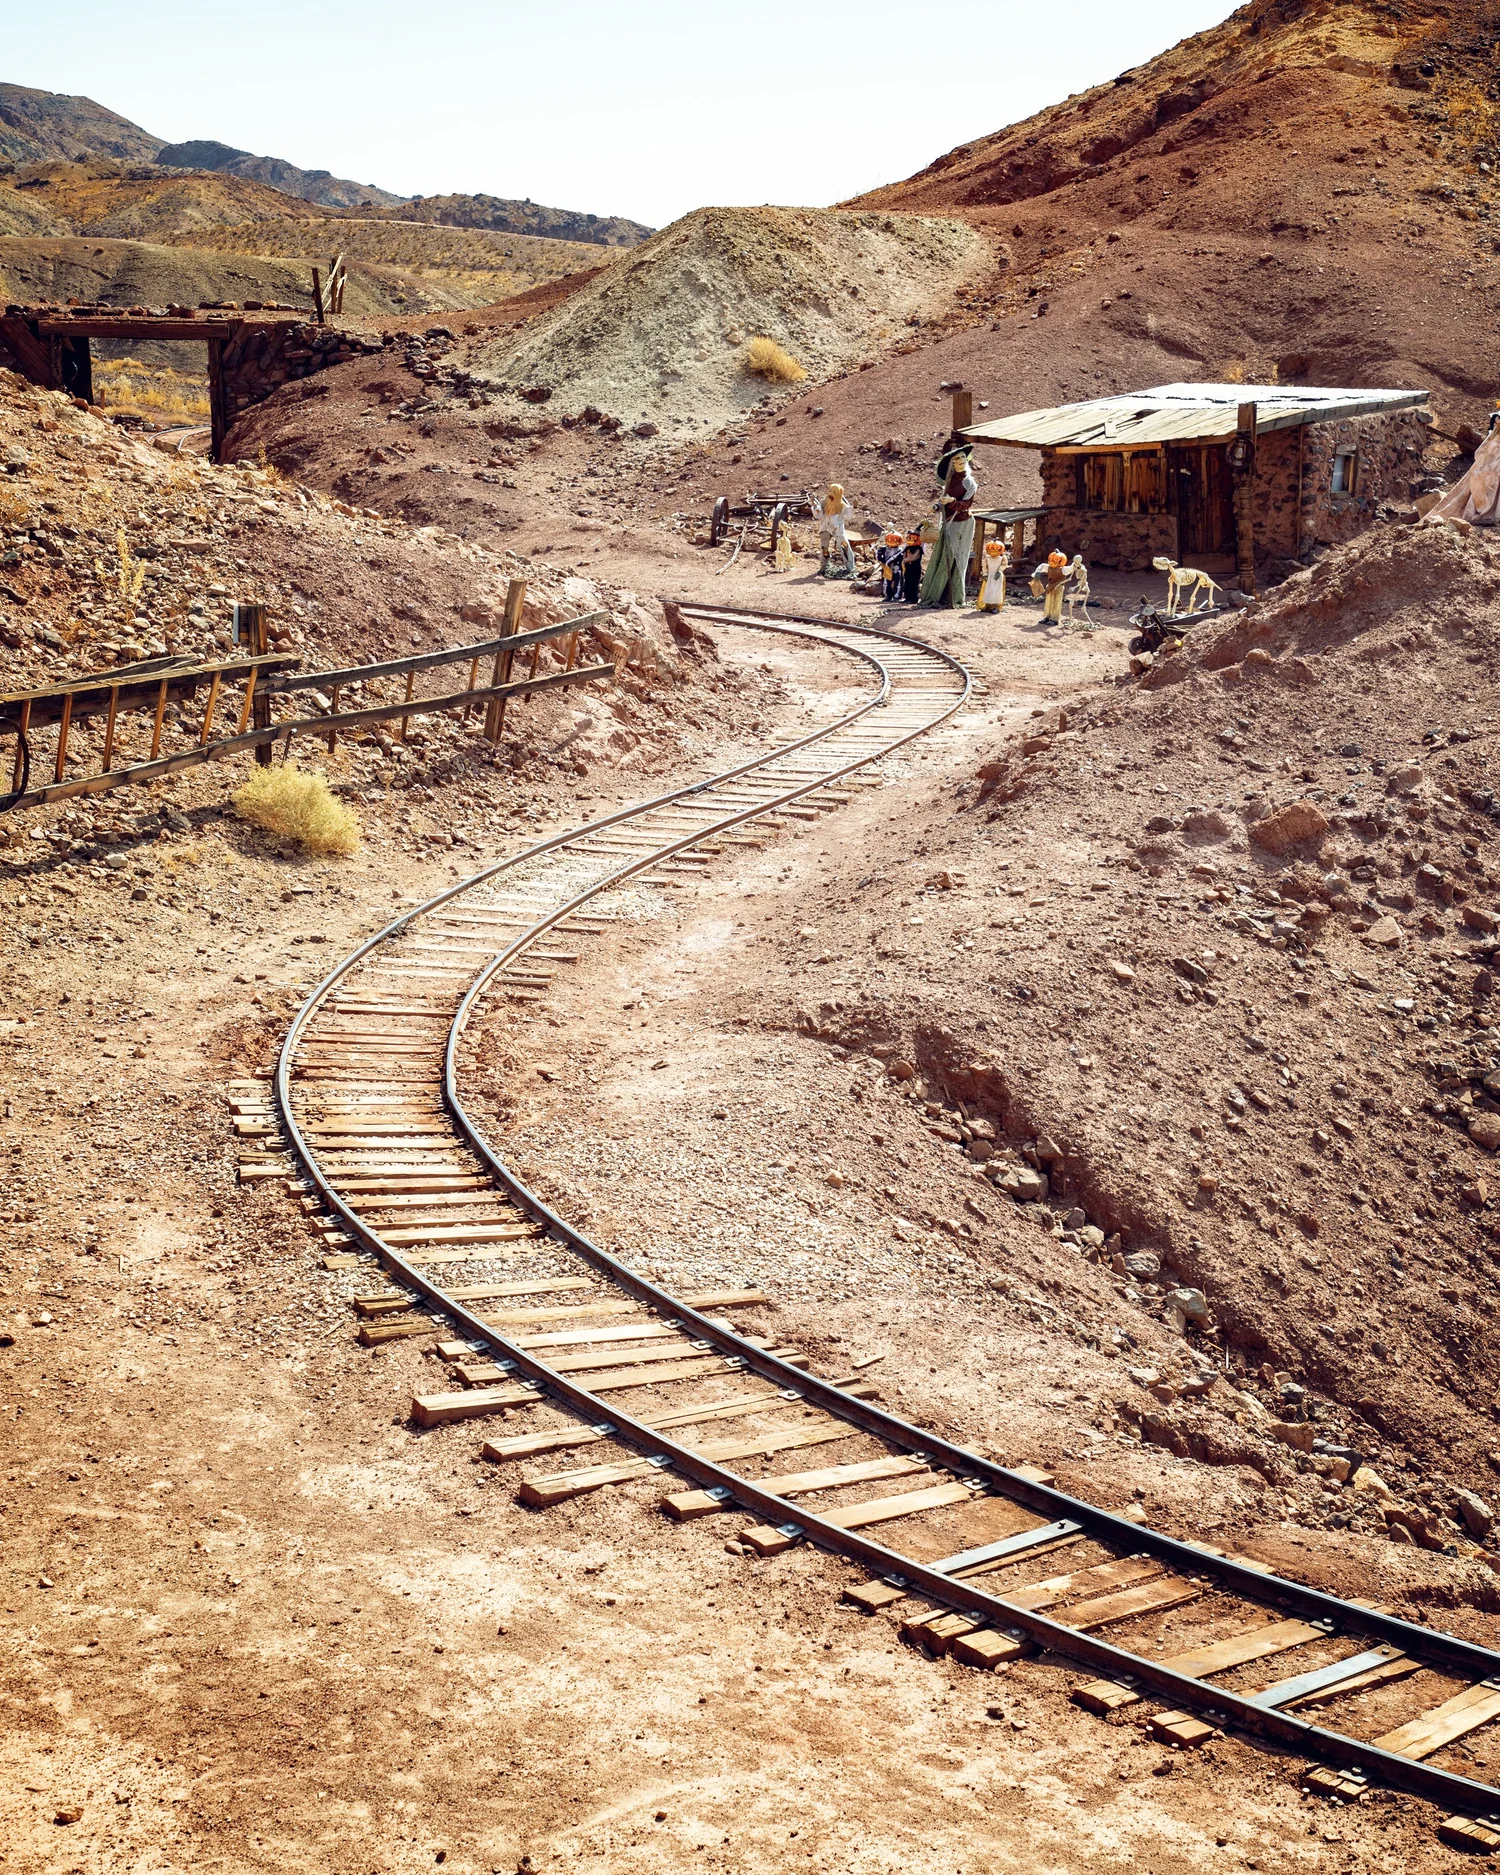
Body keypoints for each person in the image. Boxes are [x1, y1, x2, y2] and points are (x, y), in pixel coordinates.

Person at [919, 443, 976, 607]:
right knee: (941, 557)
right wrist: (937, 506)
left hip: (961, 524)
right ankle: (935, 595)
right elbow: (944, 499)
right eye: (956, 458)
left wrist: (952, 502)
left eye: (963, 457)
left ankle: (953, 597)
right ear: (952, 462)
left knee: (954, 558)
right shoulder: (950, 481)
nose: (960, 460)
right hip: (948, 523)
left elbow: (966, 504)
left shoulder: (969, 483)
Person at [817, 484, 856, 579]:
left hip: (837, 528)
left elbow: (848, 515)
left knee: (844, 545)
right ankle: (824, 565)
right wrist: (815, 507)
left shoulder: (842, 505)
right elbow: (818, 512)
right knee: (824, 547)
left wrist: (853, 507)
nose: (831, 494)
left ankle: (850, 567)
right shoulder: (824, 502)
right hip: (825, 526)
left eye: (834, 492)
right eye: (830, 491)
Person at [1029, 549, 1069, 622]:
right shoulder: (1049, 567)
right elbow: (1041, 566)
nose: (1052, 561)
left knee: (1057, 601)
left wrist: (1077, 564)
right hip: (1050, 586)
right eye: (1050, 559)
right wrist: (1037, 572)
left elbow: (1071, 568)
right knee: (1048, 601)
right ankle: (1047, 616)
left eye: (1055, 559)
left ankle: (1055, 619)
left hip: (1059, 586)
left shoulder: (1063, 569)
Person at [975, 538, 1009, 612]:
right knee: (988, 590)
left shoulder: (1002, 558)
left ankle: (995, 607)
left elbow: (1004, 565)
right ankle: (987, 605)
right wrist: (985, 573)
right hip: (989, 576)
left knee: (996, 590)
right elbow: (985, 566)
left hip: (998, 577)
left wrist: (999, 571)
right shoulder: (987, 558)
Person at [877, 531, 904, 603]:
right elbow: (879, 557)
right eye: (889, 540)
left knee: (898, 582)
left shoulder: (900, 550)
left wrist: (889, 562)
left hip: (896, 567)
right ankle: (888, 596)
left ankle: (897, 596)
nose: (891, 542)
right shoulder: (884, 549)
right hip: (886, 568)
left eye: (894, 540)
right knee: (886, 582)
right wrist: (880, 556)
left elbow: (898, 558)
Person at [901, 531, 924, 604]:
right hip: (908, 568)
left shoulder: (918, 549)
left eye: (913, 538)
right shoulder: (907, 548)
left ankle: (913, 599)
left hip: (915, 569)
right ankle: (907, 598)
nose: (910, 539)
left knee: (913, 584)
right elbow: (904, 555)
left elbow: (914, 557)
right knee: (907, 582)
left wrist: (905, 560)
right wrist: (904, 560)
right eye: (909, 538)